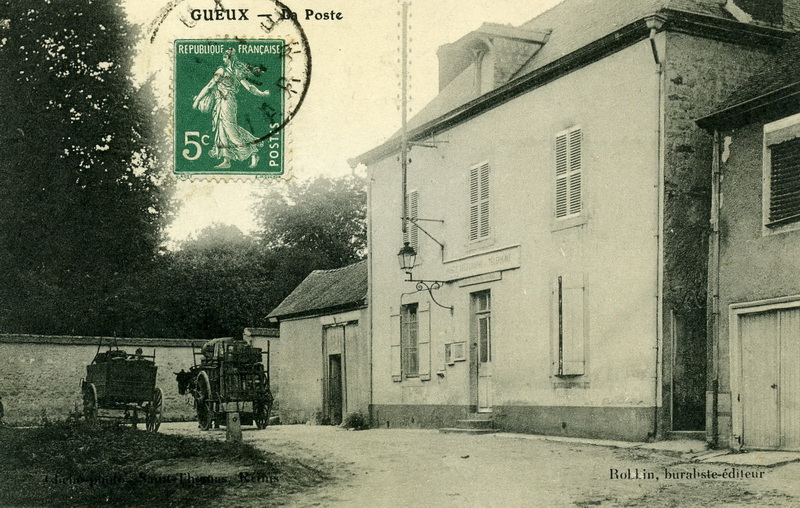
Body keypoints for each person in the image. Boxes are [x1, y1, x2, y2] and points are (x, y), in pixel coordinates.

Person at [192, 48, 270, 169]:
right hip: (220, 103)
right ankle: (226, 160)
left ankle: (253, 151)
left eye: (225, 57)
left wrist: (197, 101)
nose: (223, 59)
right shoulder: (232, 71)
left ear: (228, 58)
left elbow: (209, 86)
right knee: (221, 130)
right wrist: (262, 93)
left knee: (231, 131)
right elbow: (250, 88)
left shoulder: (225, 71)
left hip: (227, 103)